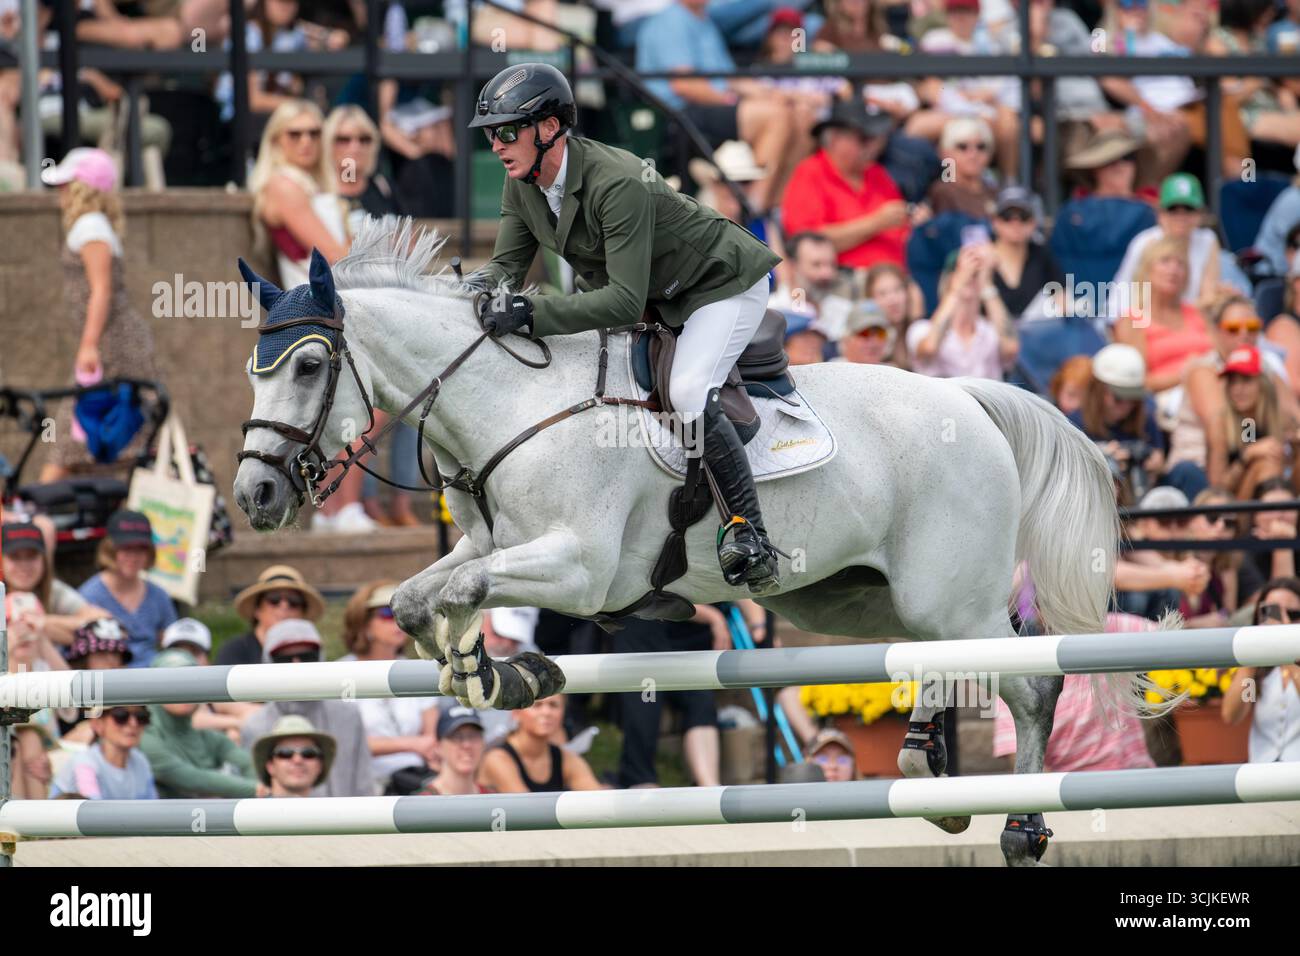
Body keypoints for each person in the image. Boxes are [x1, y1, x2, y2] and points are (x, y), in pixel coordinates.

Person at [464, 63, 784, 594]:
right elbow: (505, 270)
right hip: (661, 298)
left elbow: (622, 302)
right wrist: (467, 296)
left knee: (686, 391)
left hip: (718, 286)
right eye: (491, 134)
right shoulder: (522, 183)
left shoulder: (617, 180)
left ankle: (747, 532)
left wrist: (531, 314)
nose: (496, 145)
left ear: (548, 129)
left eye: (505, 131)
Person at [39, 149, 160, 482]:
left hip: (112, 345)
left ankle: (25, 519)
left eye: (66, 185)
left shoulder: (90, 226)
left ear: (82, 189)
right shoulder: (93, 225)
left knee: (74, 432)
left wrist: (89, 345)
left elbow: (101, 290)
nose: (60, 194)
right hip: (109, 342)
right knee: (104, 432)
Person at [636, 0, 803, 212]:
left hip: (711, 106)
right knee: (776, 116)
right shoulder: (669, 22)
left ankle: (776, 205)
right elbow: (685, 85)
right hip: (679, 115)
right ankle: (753, 208)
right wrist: (734, 101)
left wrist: (773, 94)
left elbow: (730, 78)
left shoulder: (705, 21)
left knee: (799, 113)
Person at [994, 613, 1157, 771]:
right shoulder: (1020, 675)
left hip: (1133, 777)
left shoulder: (1109, 629)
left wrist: (1180, 584)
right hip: (1070, 791)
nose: (1068, 607)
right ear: (1040, 612)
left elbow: (1171, 635)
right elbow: (1023, 761)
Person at [781, 98, 910, 272]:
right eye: (863, 139)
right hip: (839, 280)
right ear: (835, 139)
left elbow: (902, 230)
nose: (872, 147)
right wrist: (876, 223)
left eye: (873, 139)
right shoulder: (810, 173)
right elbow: (807, 243)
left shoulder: (877, 173)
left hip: (894, 277)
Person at [341, 581, 439, 794]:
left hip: (417, 780)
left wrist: (421, 747)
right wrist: (411, 744)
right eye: (387, 613)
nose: (396, 621)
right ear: (364, 623)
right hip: (363, 785)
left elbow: (431, 738)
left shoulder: (418, 670)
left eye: (401, 613)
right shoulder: (340, 673)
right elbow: (344, 742)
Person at [910, 0, 1021, 179]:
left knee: (982, 134)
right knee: (955, 135)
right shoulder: (937, 39)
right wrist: (966, 103)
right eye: (956, 12)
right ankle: (950, 184)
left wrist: (976, 99)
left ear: (977, 16)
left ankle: (1007, 182)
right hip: (950, 112)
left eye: (966, 12)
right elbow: (931, 87)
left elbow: (999, 89)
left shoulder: (990, 45)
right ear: (947, 16)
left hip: (984, 115)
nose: (961, 18)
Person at [138, 648, 263, 798]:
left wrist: (258, 787)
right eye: (172, 683)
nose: (182, 690)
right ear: (154, 689)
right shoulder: (145, 736)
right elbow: (190, 778)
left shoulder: (209, 738)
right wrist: (255, 790)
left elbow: (249, 764)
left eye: (191, 682)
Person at [1112, 174, 1224, 314]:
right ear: (1160, 213)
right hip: (1141, 320)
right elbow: (1126, 297)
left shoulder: (1207, 240)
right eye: (1173, 210)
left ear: (1200, 213)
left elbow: (1209, 297)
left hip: (1190, 323)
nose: (1181, 217)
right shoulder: (1145, 242)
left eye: (1188, 209)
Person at [76, 510, 176, 668]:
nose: (134, 556)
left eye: (141, 549)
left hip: (155, 679)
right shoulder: (89, 595)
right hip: (109, 680)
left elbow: (172, 643)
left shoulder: (159, 595)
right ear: (109, 549)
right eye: (126, 548)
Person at [1112, 237, 1211, 393]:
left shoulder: (1198, 313)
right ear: (1147, 270)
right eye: (1165, 261)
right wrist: (1189, 373)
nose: (1173, 269)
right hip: (1165, 399)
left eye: (1180, 264)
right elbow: (1136, 383)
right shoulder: (1133, 320)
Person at [1068, 344, 1166, 498]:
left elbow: (1159, 457)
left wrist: (1152, 464)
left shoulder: (1144, 419)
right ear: (1098, 390)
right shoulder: (1073, 424)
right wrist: (1101, 459)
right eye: (1119, 398)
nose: (1126, 406)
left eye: (1133, 399)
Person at [907, 244, 1019, 379]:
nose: (969, 276)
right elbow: (929, 348)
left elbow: (1011, 348)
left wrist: (987, 285)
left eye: (975, 273)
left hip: (984, 400)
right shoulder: (920, 329)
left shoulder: (990, 330)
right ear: (948, 278)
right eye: (960, 270)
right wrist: (955, 290)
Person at [1222, 578, 1300, 763]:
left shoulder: (1289, 664)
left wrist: (1285, 646)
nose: (1281, 621)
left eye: (1293, 614)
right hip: (1263, 774)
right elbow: (1232, 715)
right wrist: (1251, 659)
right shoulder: (1259, 671)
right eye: (1271, 614)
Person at [1, 521, 106, 647]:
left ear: (44, 560)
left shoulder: (53, 589)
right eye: (15, 557)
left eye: (31, 556)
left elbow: (102, 621)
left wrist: (43, 622)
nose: (24, 565)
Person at [1210, 346, 1293, 501]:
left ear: (1263, 383)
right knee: (1265, 463)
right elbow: (1217, 490)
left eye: (1246, 380)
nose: (1237, 389)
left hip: (1284, 493)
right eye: (1232, 382)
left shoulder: (1281, 418)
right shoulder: (1222, 422)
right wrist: (1246, 456)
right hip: (1238, 508)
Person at [477, 695, 602, 793]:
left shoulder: (565, 758)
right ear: (516, 713)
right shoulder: (497, 758)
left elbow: (598, 800)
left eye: (554, 705)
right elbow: (528, 811)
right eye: (537, 705)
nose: (546, 712)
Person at [218, 564, 325, 666]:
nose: (284, 605)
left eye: (294, 601)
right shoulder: (235, 651)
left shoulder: (313, 647)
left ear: (303, 611)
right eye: (274, 599)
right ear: (257, 609)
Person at [986, 186, 1065, 323]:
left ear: (1033, 222)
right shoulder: (979, 257)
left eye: (1023, 217)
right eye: (1007, 216)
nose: (1015, 223)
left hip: (1035, 337)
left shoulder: (1042, 255)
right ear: (995, 221)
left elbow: (1062, 300)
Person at [50, 705, 158, 799]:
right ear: (97, 724)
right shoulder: (84, 763)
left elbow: (153, 811)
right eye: (121, 716)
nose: (133, 723)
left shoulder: (140, 760)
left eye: (141, 716)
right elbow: (94, 815)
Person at [767, 231, 856, 337]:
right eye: (816, 265)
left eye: (831, 265)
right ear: (793, 266)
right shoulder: (770, 310)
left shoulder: (844, 311)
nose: (827, 274)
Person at [924, 117, 998, 220]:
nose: (973, 154)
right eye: (962, 147)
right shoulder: (943, 192)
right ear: (946, 153)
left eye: (981, 147)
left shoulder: (994, 191)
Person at [252, 714, 337, 797]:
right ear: (270, 766)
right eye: (285, 753)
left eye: (308, 753)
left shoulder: (330, 810)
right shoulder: (248, 810)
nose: (297, 760)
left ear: (320, 766)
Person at [420, 707, 490, 795]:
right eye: (456, 737)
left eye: (473, 736)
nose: (466, 745)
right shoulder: (423, 802)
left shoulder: (492, 798)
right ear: (438, 746)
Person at [864, 262, 920, 368]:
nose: (893, 300)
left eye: (897, 290)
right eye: (882, 294)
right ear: (870, 300)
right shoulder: (867, 340)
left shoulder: (918, 331)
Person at [836, 300, 894, 365]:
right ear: (846, 339)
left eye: (881, 333)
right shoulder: (831, 371)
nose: (874, 342)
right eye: (865, 333)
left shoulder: (893, 372)